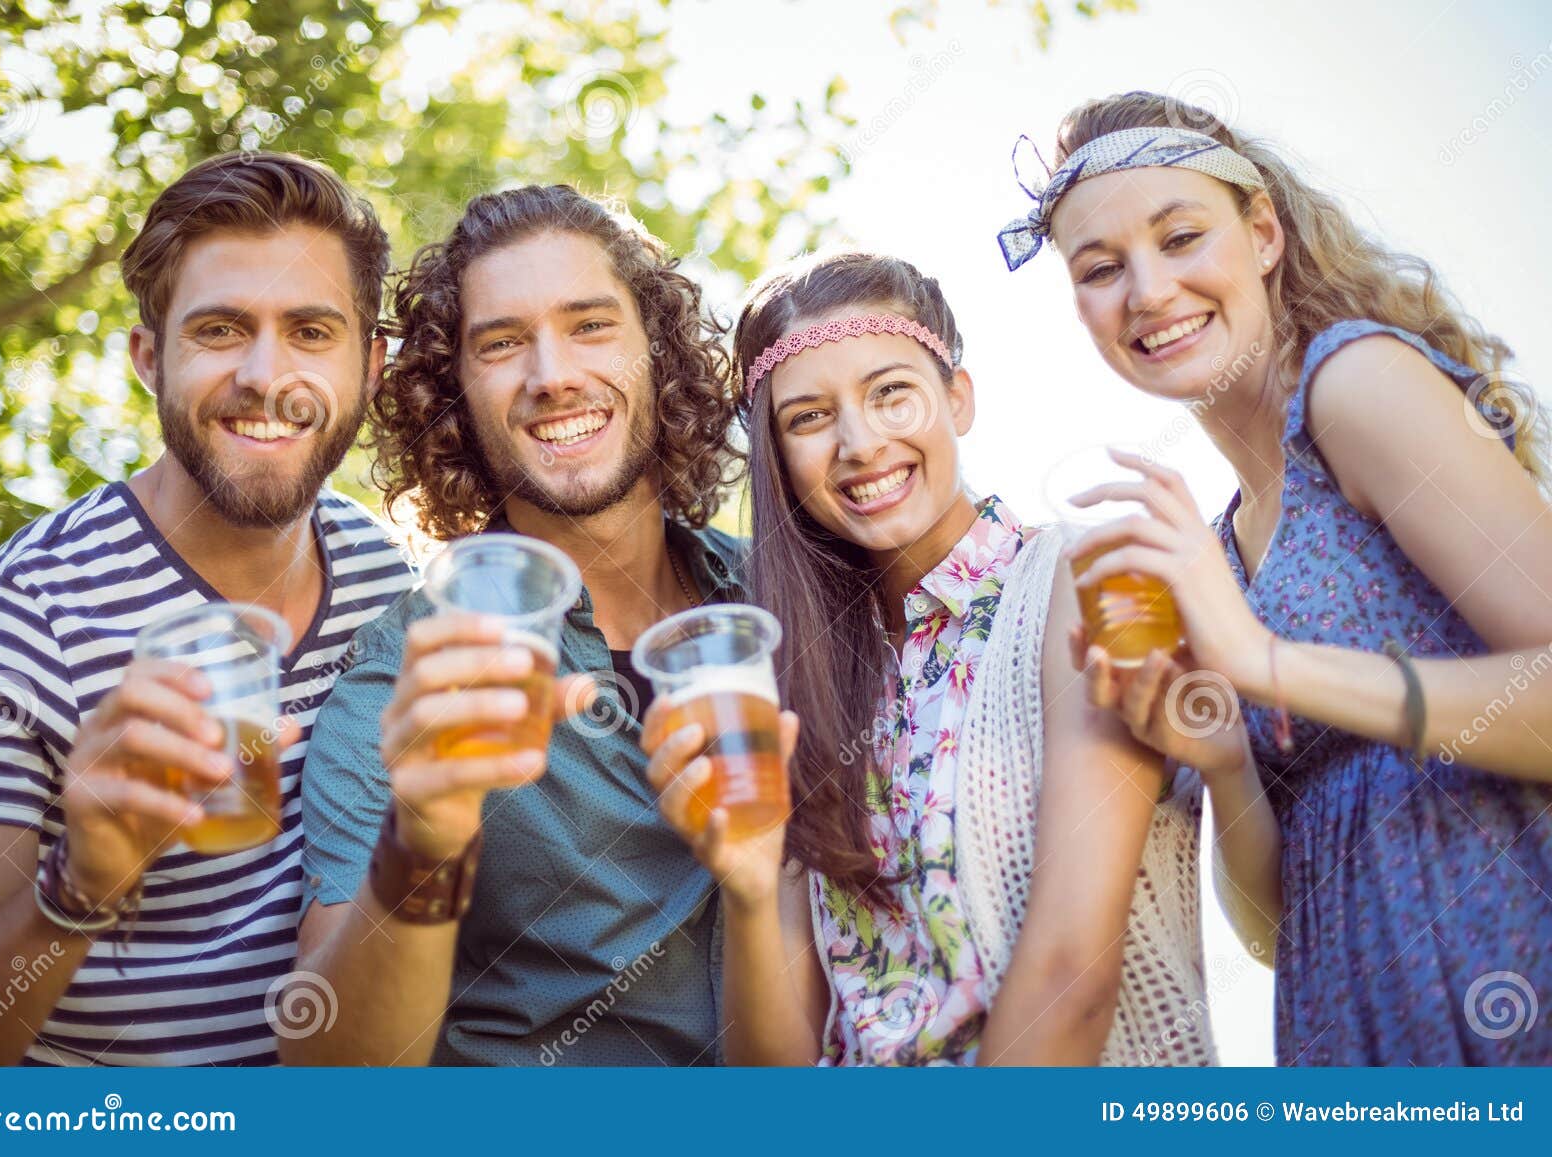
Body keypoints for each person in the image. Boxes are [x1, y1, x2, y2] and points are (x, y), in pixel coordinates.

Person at [1005, 91, 1552, 1064]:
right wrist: (1219, 758)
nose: (1146, 291)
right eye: (1100, 268)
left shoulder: (1355, 386)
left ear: (1261, 233)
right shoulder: (1217, 548)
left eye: (1180, 237)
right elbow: (1268, 926)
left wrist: (1264, 658)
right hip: (1351, 1029)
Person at [644, 250, 1229, 1066]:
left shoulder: (1090, 582)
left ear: (957, 397)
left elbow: (1072, 975)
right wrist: (748, 887)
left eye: (890, 393)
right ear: (777, 457)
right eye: (808, 417)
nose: (859, 441)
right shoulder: (793, 683)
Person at [0, 152, 414, 1065]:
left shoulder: (380, 574)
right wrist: (79, 880)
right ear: (149, 358)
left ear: (371, 365)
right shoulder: (9, 622)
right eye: (220, 329)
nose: (265, 374)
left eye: (311, 331)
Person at [284, 185, 746, 1066]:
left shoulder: (785, 598)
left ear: (660, 348)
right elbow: (332, 1070)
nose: (553, 374)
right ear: (451, 388)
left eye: (590, 325)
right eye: (501, 343)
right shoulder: (408, 674)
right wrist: (424, 833)